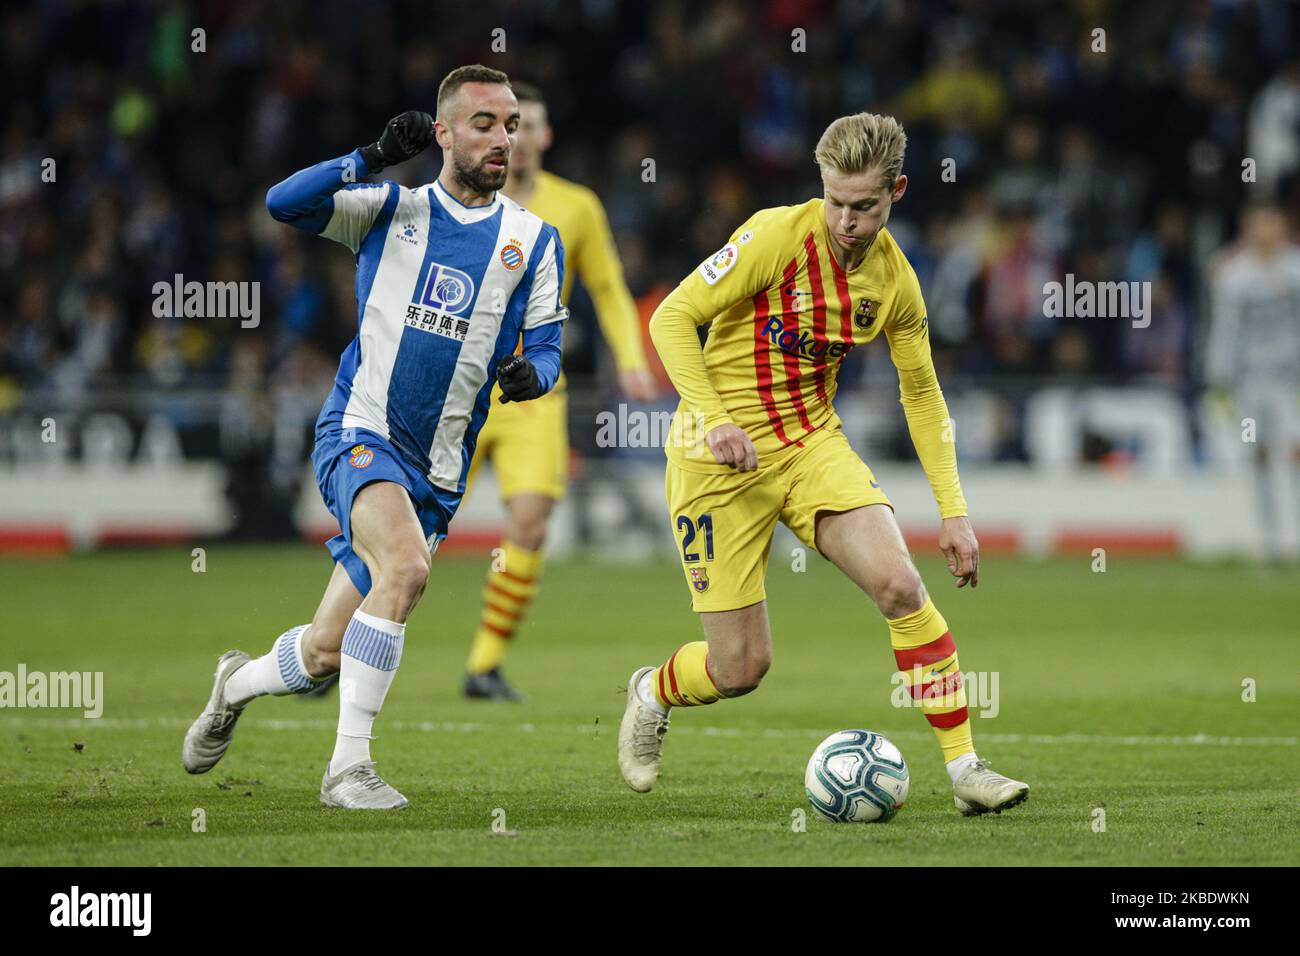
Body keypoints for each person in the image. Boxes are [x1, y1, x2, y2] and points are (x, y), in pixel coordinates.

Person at [617, 112, 1029, 815]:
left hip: (810, 444)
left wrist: (954, 513)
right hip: (713, 458)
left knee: (902, 587)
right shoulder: (776, 234)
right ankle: (654, 689)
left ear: (896, 191)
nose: (845, 220)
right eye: (835, 201)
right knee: (740, 668)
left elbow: (922, 393)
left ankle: (965, 770)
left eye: (864, 206)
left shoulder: (897, 282)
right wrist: (715, 418)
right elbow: (670, 318)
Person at [181, 65, 567, 809]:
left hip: (439, 472)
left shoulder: (534, 241)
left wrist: (533, 377)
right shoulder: (390, 210)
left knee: (325, 652)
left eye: (512, 125)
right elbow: (282, 204)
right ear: (444, 132)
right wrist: (368, 157)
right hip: (360, 431)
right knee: (406, 568)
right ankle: (347, 771)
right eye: (484, 123)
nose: (503, 140)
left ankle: (235, 682)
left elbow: (547, 346)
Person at [459, 82, 656, 700]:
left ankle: (483, 665)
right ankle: (335, 645)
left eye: (527, 126)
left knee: (531, 523)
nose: (515, 140)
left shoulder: (576, 207)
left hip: (535, 389)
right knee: (408, 525)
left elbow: (608, 288)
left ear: (545, 137)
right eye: (504, 127)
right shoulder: (455, 200)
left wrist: (631, 358)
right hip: (456, 386)